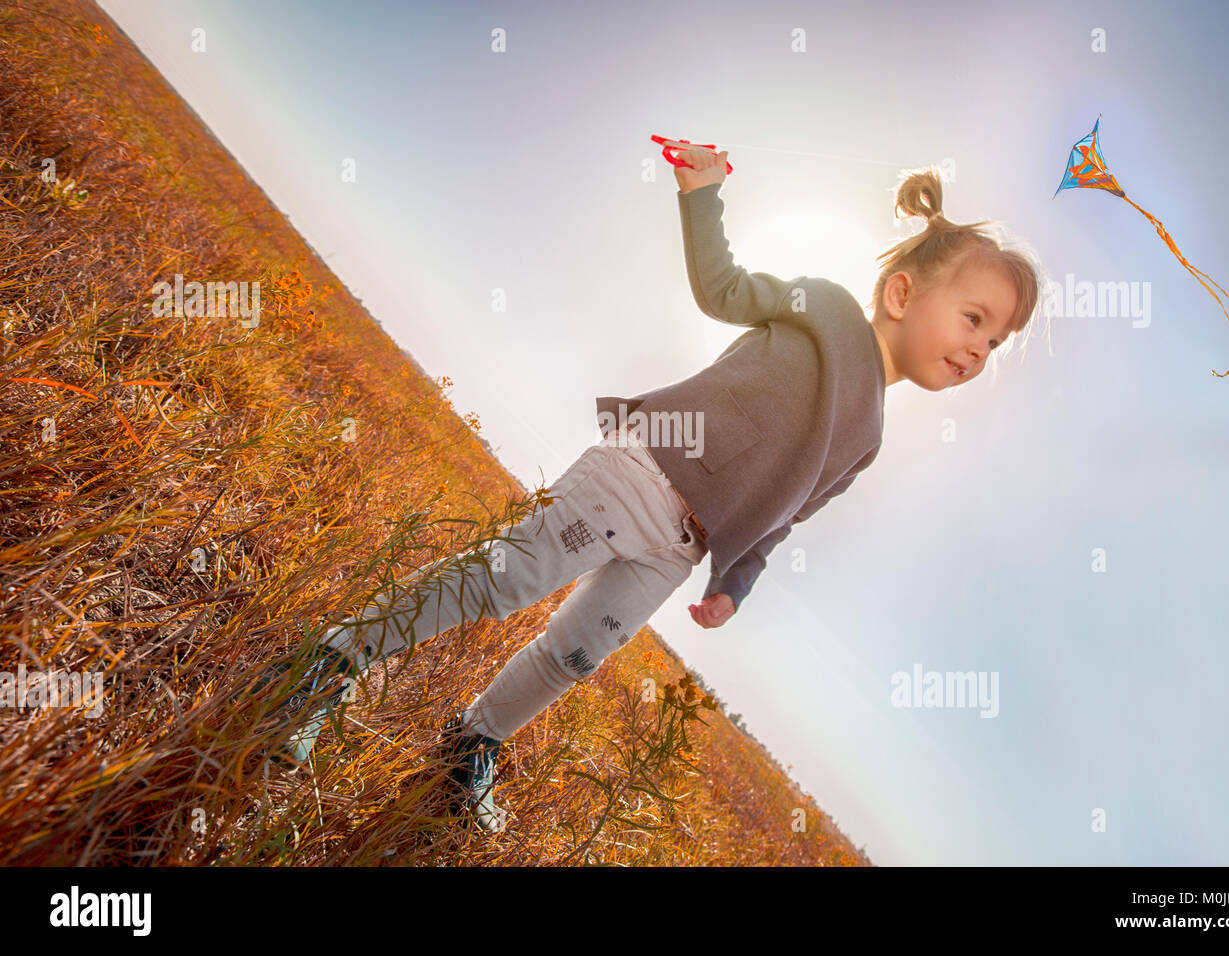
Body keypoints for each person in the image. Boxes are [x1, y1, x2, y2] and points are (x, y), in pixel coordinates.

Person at [262, 147, 1042, 833]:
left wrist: (735, 584)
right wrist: (702, 194)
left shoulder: (868, 437)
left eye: (995, 341)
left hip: (681, 546)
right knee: (506, 580)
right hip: (639, 472)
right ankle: (330, 662)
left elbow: (783, 521)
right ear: (903, 295)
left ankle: (472, 741)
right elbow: (725, 290)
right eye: (974, 318)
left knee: (576, 654)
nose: (979, 347)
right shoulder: (827, 308)